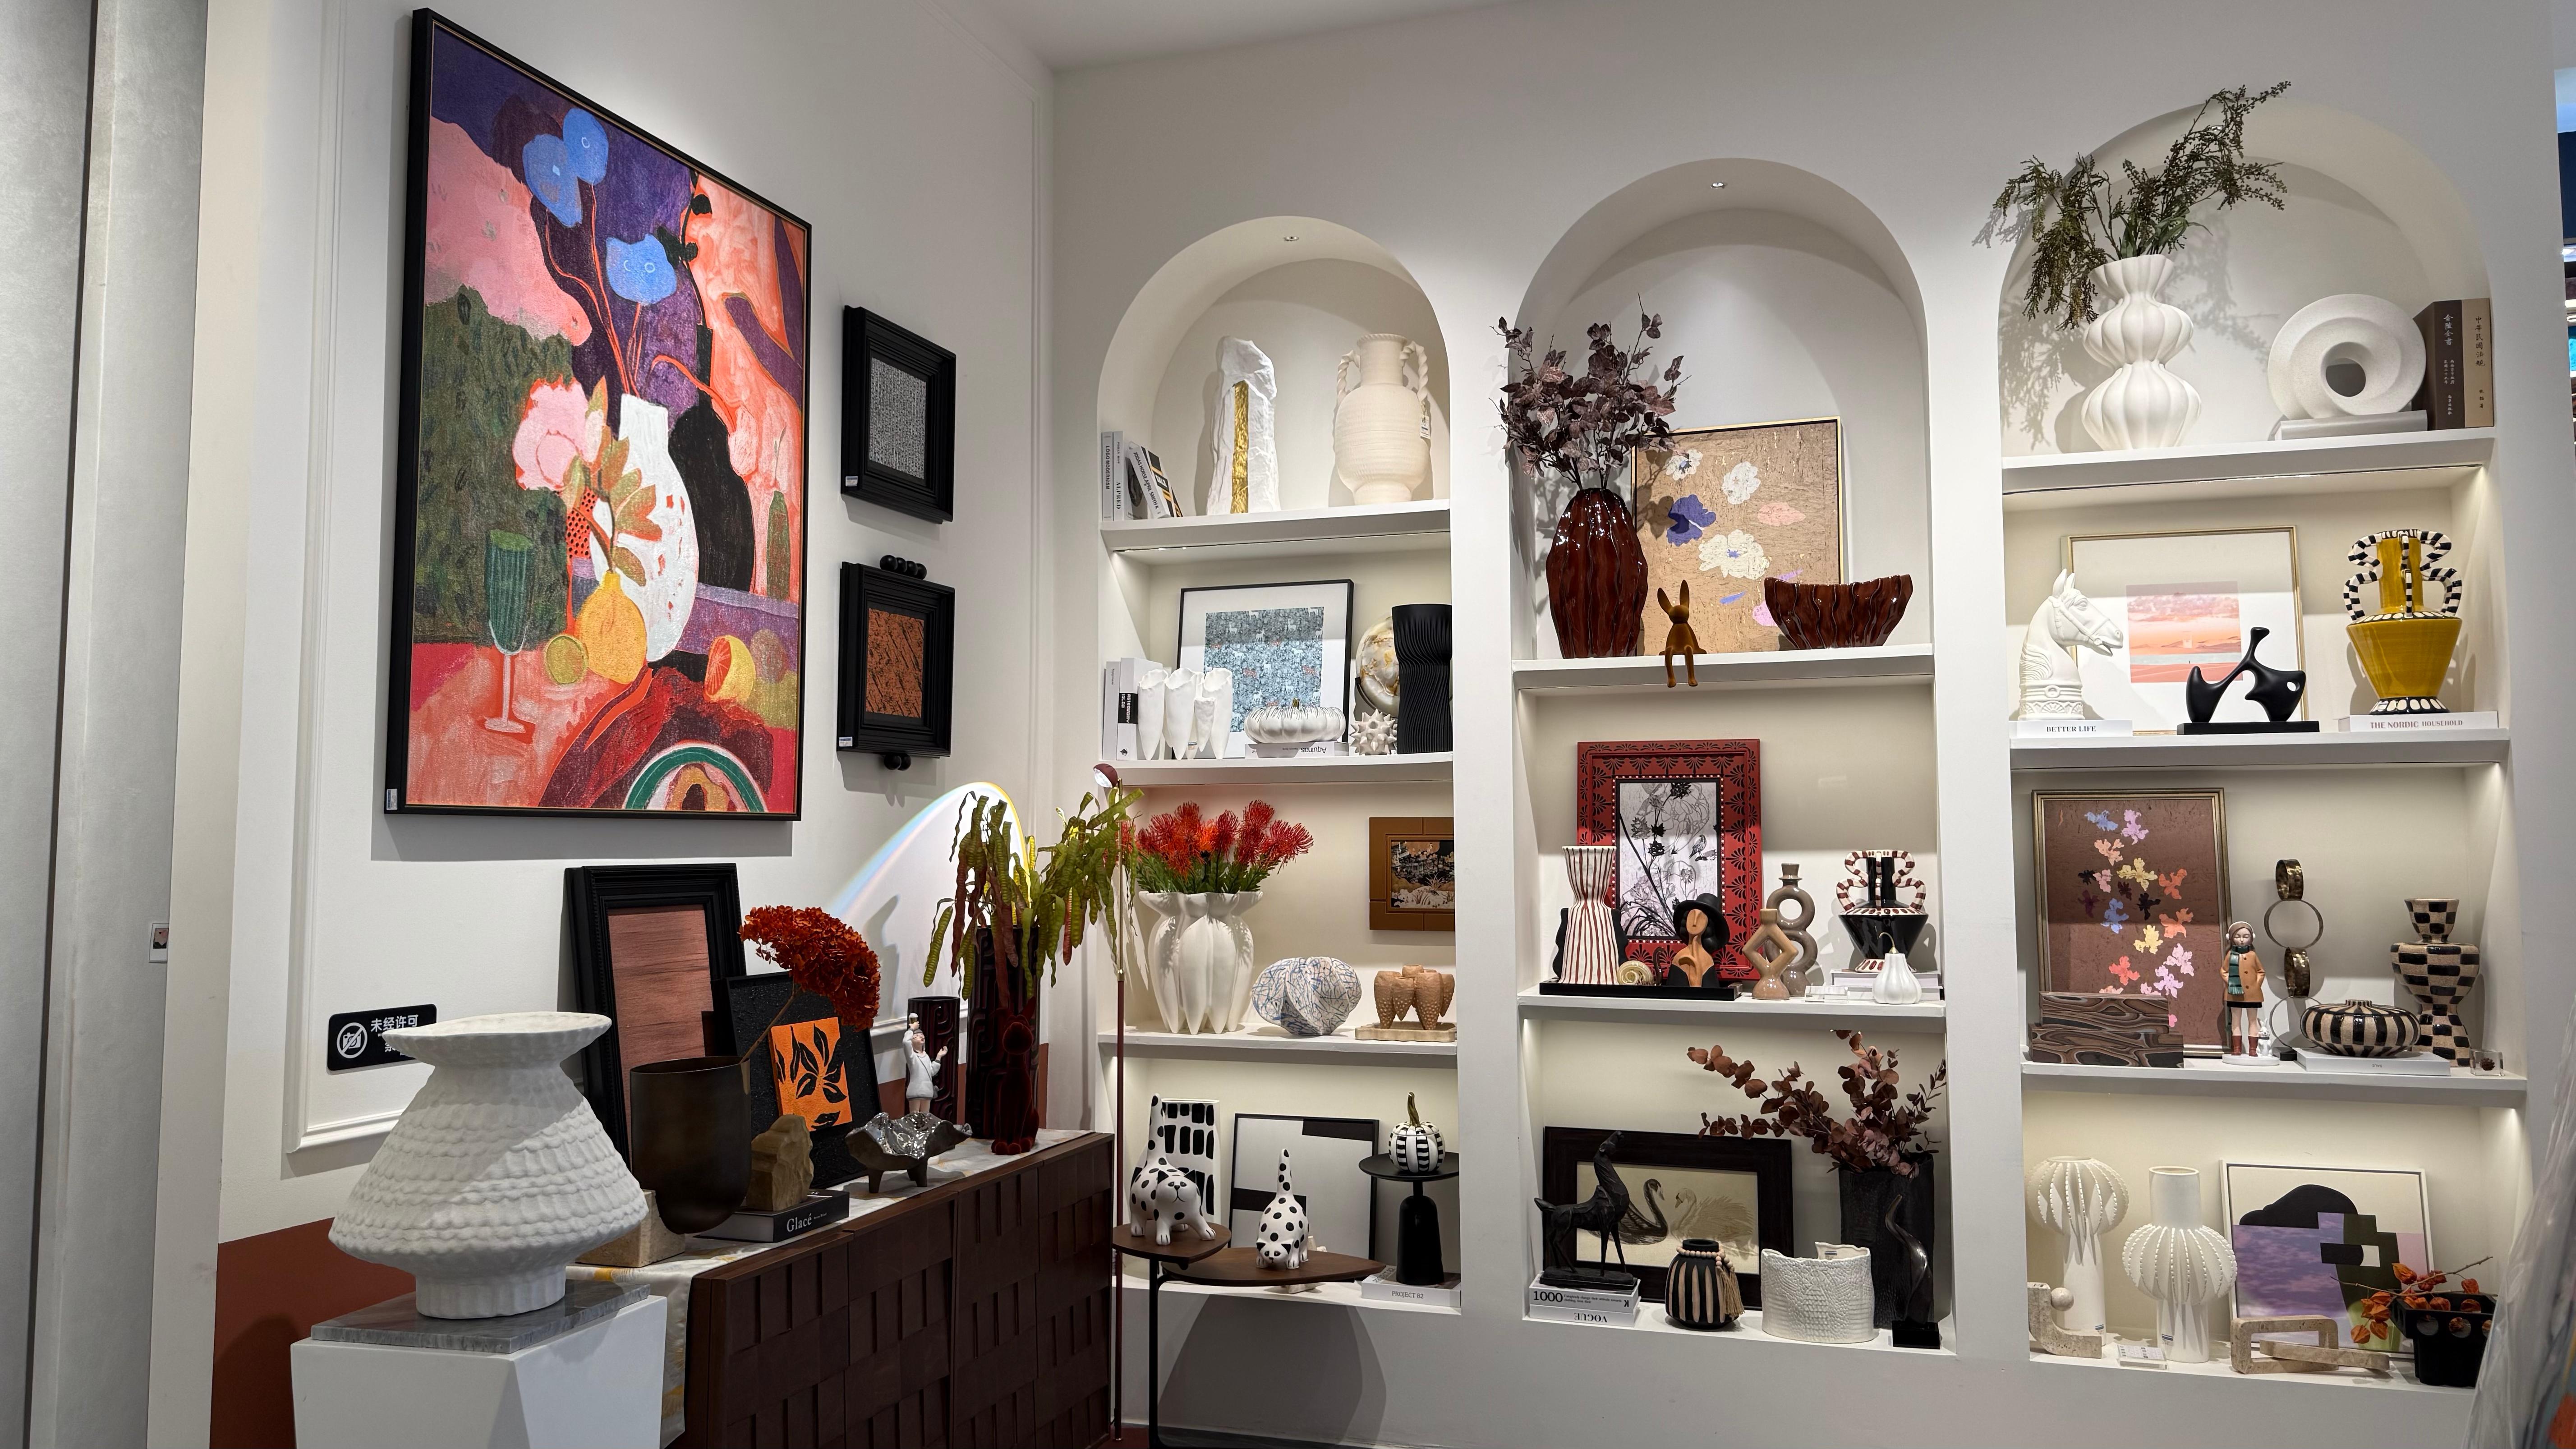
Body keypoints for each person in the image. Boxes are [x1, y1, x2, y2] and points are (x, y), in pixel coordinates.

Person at [2222, 920, 2267, 1057]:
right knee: (2236, 1021)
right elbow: (2224, 971)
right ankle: (2237, 1048)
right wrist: (2231, 983)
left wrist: (2257, 985)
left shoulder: (2253, 955)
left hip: (2253, 994)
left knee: (2253, 1021)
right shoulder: (2231, 955)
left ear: (2251, 938)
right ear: (2231, 938)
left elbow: (2261, 972)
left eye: (2246, 937)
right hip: (2234, 993)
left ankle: (2253, 1049)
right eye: (2237, 937)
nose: (2241, 940)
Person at [904, 1017, 948, 1116]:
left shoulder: (926, 1056)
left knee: (926, 1118)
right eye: (917, 1037)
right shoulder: (912, 1056)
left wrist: (939, 1057)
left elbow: (931, 1072)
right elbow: (906, 1043)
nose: (921, 1037)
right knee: (914, 1117)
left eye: (922, 1036)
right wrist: (912, 1029)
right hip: (916, 1090)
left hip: (927, 1090)